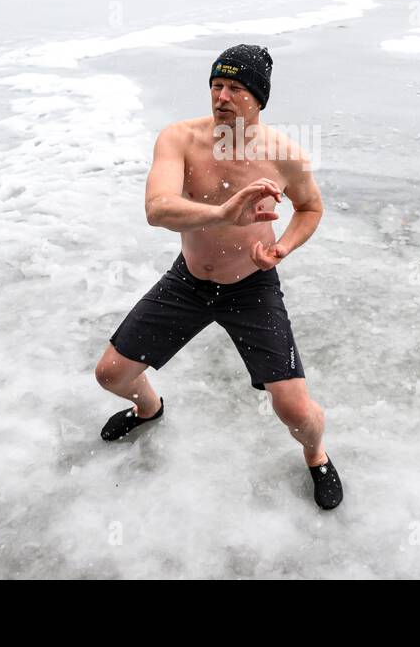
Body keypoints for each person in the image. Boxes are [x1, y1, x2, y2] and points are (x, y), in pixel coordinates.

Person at [93, 44, 341, 509]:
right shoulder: (180, 138)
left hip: (251, 287)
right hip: (188, 281)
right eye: (216, 85)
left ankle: (316, 454)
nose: (222, 96)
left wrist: (282, 247)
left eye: (236, 88)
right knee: (110, 374)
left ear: (259, 99)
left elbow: (310, 207)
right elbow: (157, 208)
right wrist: (223, 211)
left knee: (295, 410)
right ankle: (148, 408)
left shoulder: (284, 154)